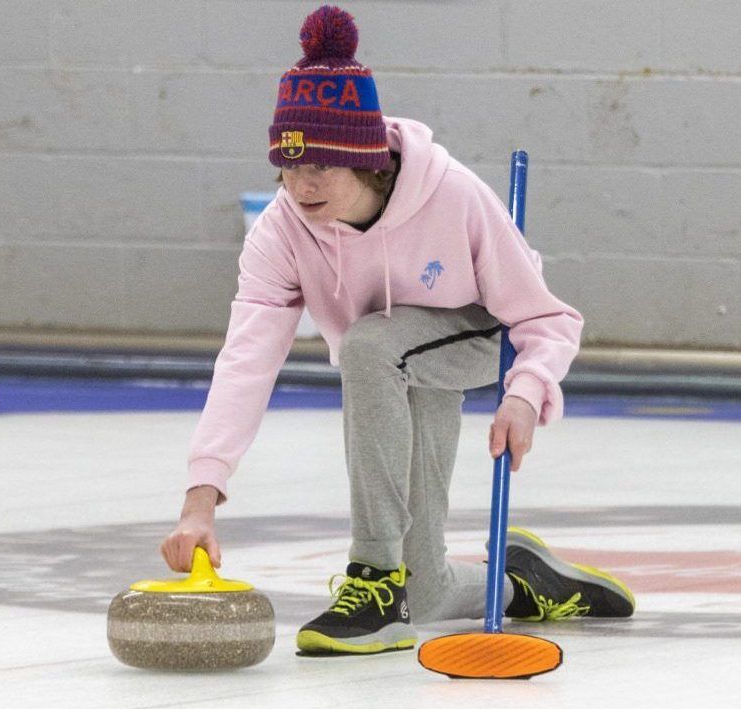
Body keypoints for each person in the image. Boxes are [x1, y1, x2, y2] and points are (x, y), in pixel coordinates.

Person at [161, 5, 634, 655]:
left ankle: (374, 577)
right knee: (432, 591)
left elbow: (545, 318)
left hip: (477, 335)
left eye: (320, 166)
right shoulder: (281, 230)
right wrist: (200, 498)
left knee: (370, 344)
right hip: (400, 360)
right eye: (289, 167)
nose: (301, 185)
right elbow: (245, 360)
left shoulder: (453, 195)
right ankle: (522, 583)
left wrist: (524, 392)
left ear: (366, 160)